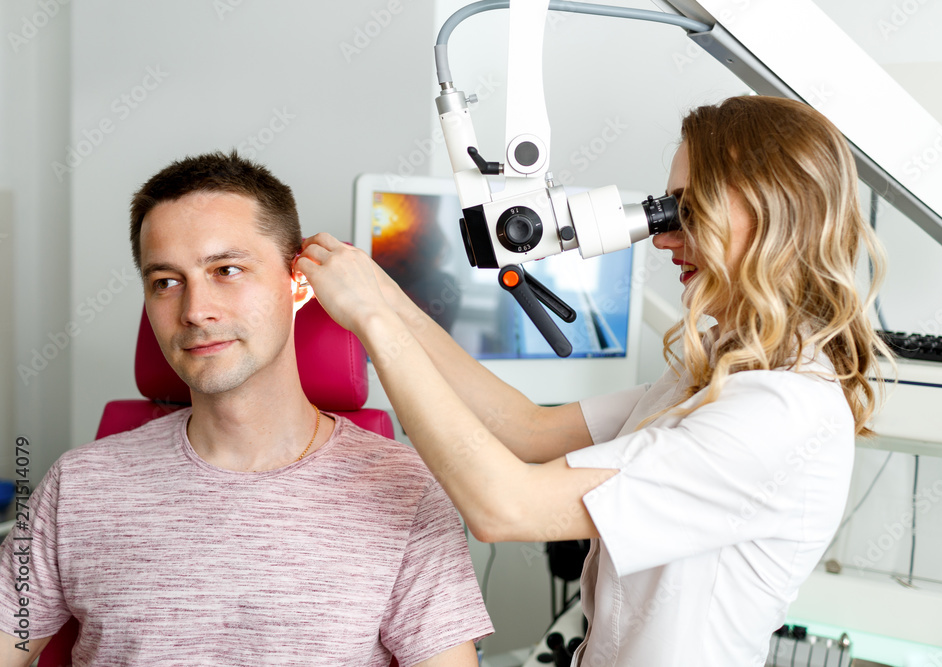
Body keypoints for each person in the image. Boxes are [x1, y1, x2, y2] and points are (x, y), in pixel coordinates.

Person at [294, 96, 894, 666]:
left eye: (688, 211)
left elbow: (505, 506)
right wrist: (389, 300)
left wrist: (373, 324)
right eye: (667, 210)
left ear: (772, 212)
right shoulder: (721, 370)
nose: (663, 237)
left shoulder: (776, 413)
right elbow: (527, 429)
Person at [0, 151, 493, 666]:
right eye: (166, 281)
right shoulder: (78, 486)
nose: (195, 311)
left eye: (227, 270)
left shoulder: (406, 490)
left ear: (298, 282)